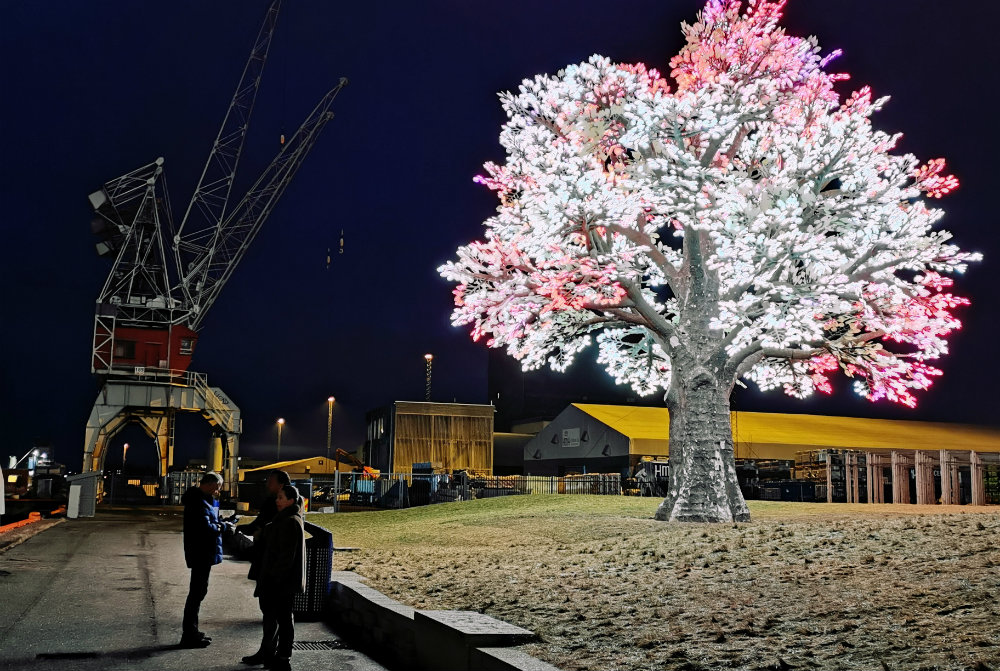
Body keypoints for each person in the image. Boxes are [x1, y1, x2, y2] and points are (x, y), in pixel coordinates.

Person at [241, 484, 306, 671]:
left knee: (284, 619)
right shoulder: (283, 520)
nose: (277, 501)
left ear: (291, 501)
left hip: (281, 583)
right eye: (277, 497)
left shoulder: (290, 521)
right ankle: (271, 655)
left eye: (280, 497)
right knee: (278, 619)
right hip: (278, 581)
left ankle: (283, 657)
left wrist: (274, 578)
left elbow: (286, 557)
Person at [180, 471, 227, 648]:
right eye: (218, 487)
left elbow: (206, 522)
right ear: (209, 484)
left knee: (197, 593)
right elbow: (206, 528)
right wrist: (223, 526)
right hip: (201, 553)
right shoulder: (199, 502)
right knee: (197, 594)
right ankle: (189, 635)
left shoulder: (199, 500)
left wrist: (220, 521)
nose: (218, 491)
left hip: (200, 553)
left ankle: (192, 631)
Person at [241, 470, 291, 539]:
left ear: (280, 486)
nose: (267, 485)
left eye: (270, 482)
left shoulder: (274, 504)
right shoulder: (273, 502)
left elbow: (259, 524)